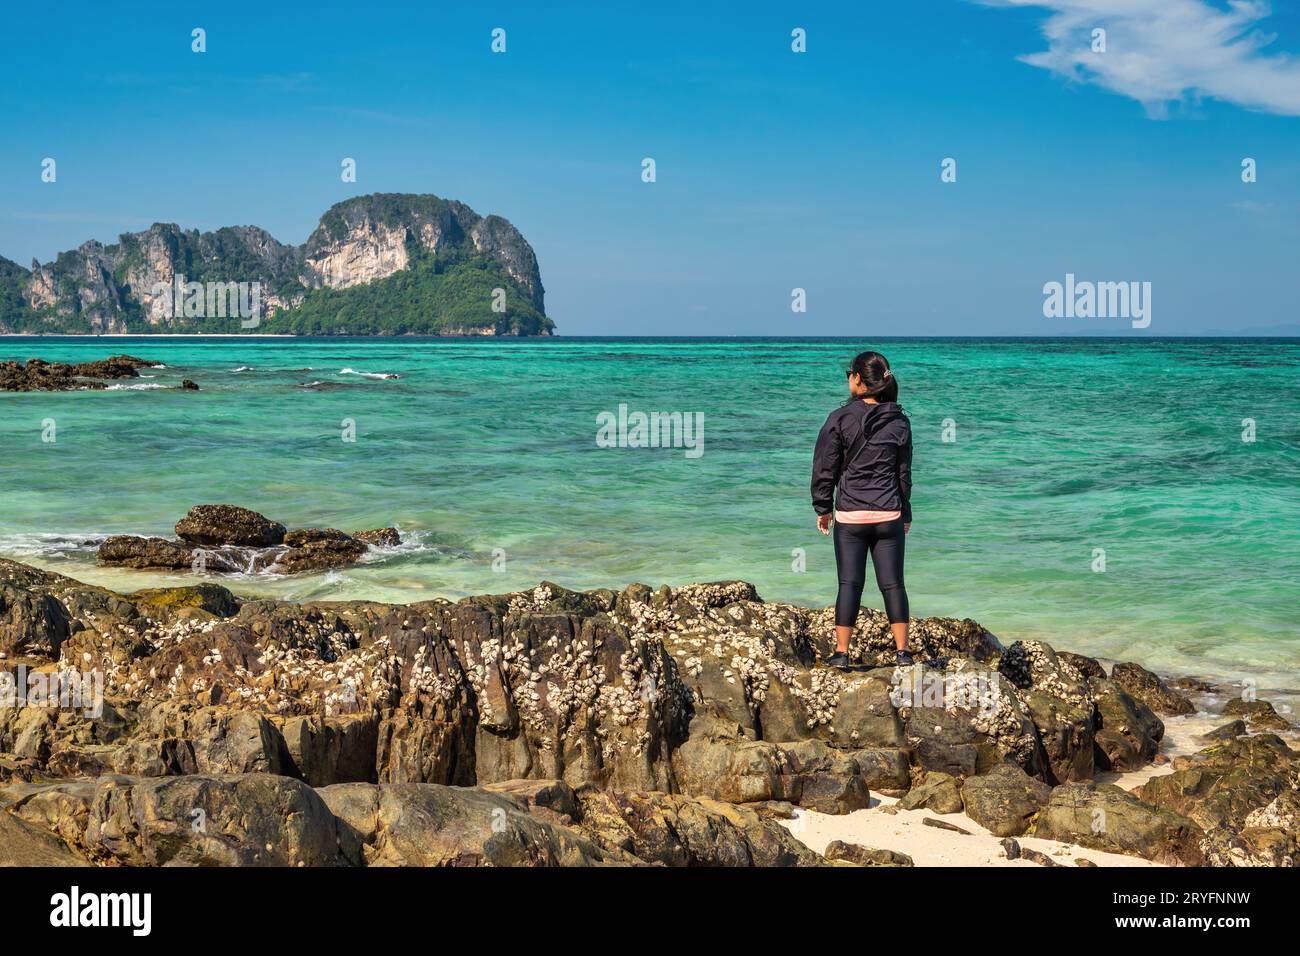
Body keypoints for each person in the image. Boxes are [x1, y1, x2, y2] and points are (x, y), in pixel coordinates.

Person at [811, 350, 914, 668]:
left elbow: (825, 468)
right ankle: (903, 653)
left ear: (857, 379)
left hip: (852, 517)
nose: (848, 379)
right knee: (893, 583)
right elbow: (903, 474)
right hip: (889, 516)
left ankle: (841, 653)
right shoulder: (899, 420)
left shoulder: (839, 418)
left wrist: (822, 507)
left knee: (849, 583)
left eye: (849, 374)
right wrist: (905, 512)